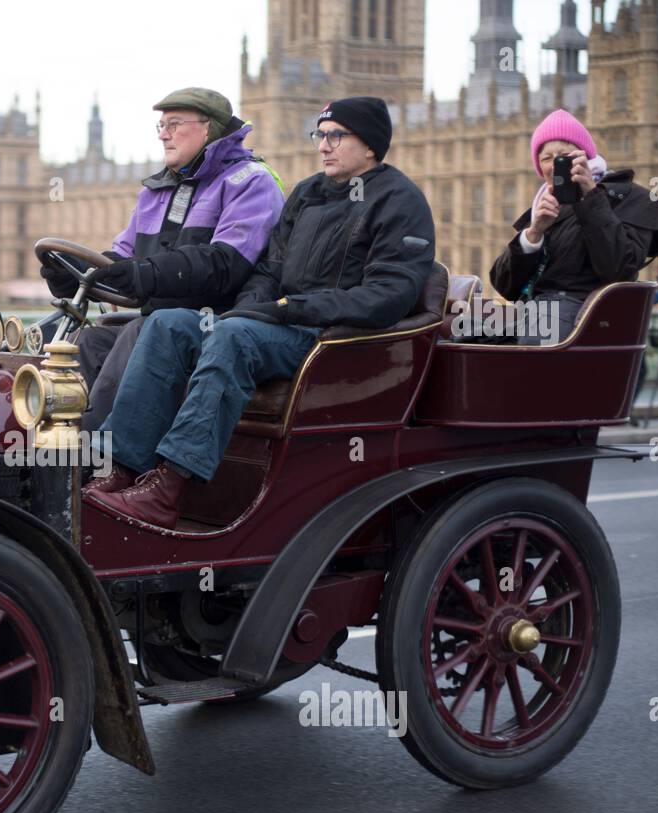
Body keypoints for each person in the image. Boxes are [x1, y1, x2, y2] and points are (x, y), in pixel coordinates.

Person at [84, 97, 435, 530]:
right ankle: (119, 468)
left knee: (234, 337)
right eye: (320, 135)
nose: (323, 145)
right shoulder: (307, 194)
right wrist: (249, 312)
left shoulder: (400, 200)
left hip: (330, 338)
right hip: (280, 322)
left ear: (371, 146)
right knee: (168, 324)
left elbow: (389, 294)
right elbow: (269, 270)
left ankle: (169, 487)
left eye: (336, 136)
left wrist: (289, 310)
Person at [41, 88, 284, 430]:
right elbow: (121, 260)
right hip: (160, 323)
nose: (163, 134)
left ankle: (94, 456)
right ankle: (49, 442)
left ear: (208, 128)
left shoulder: (249, 181)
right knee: (89, 342)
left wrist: (144, 273)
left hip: (218, 326)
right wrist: (74, 272)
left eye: (173, 124)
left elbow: (223, 265)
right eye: (160, 126)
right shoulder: (156, 191)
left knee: (138, 332)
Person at [489, 108, 658, 339]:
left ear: (585, 156)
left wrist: (589, 197)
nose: (554, 164)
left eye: (563, 156)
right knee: (461, 335)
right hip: (532, 316)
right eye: (546, 158)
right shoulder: (542, 208)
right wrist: (533, 234)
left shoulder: (630, 199)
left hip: (585, 323)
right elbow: (505, 286)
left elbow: (618, 268)